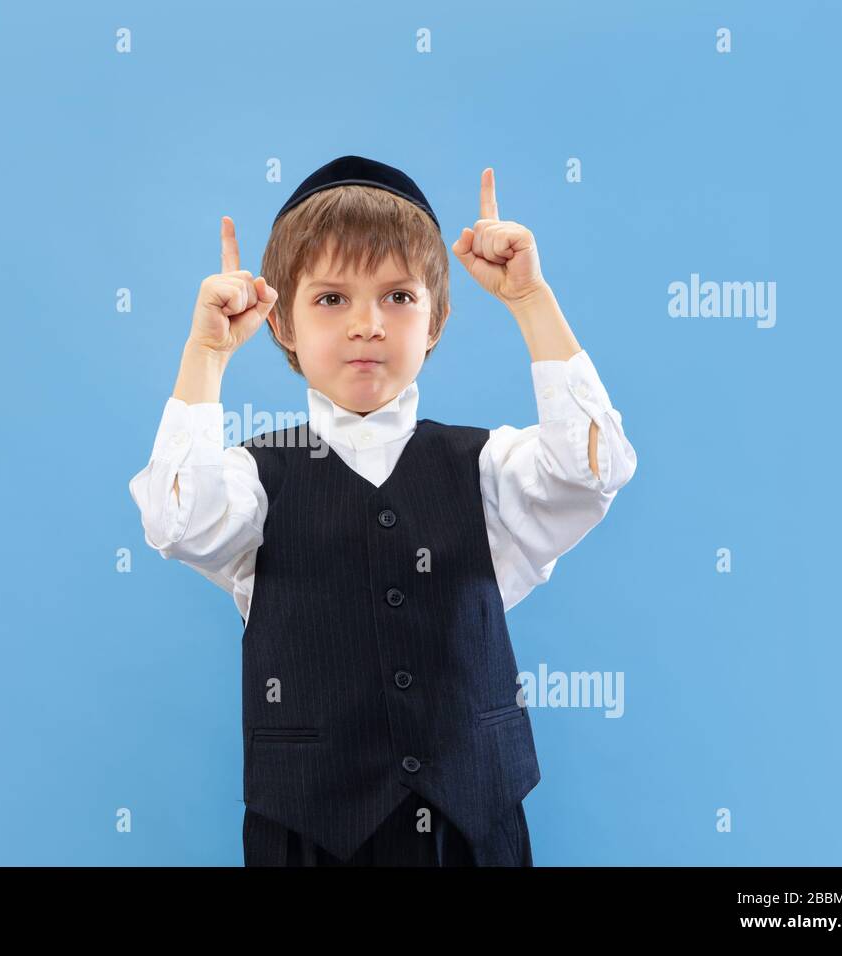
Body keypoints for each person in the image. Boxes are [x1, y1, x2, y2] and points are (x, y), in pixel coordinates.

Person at [128, 155, 638, 865]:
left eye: (399, 297)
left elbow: (592, 470)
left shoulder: (489, 468)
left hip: (472, 831)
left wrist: (531, 300)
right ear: (283, 325)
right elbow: (176, 518)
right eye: (331, 299)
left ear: (436, 319)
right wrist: (207, 354)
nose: (368, 325)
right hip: (309, 835)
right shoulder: (250, 480)